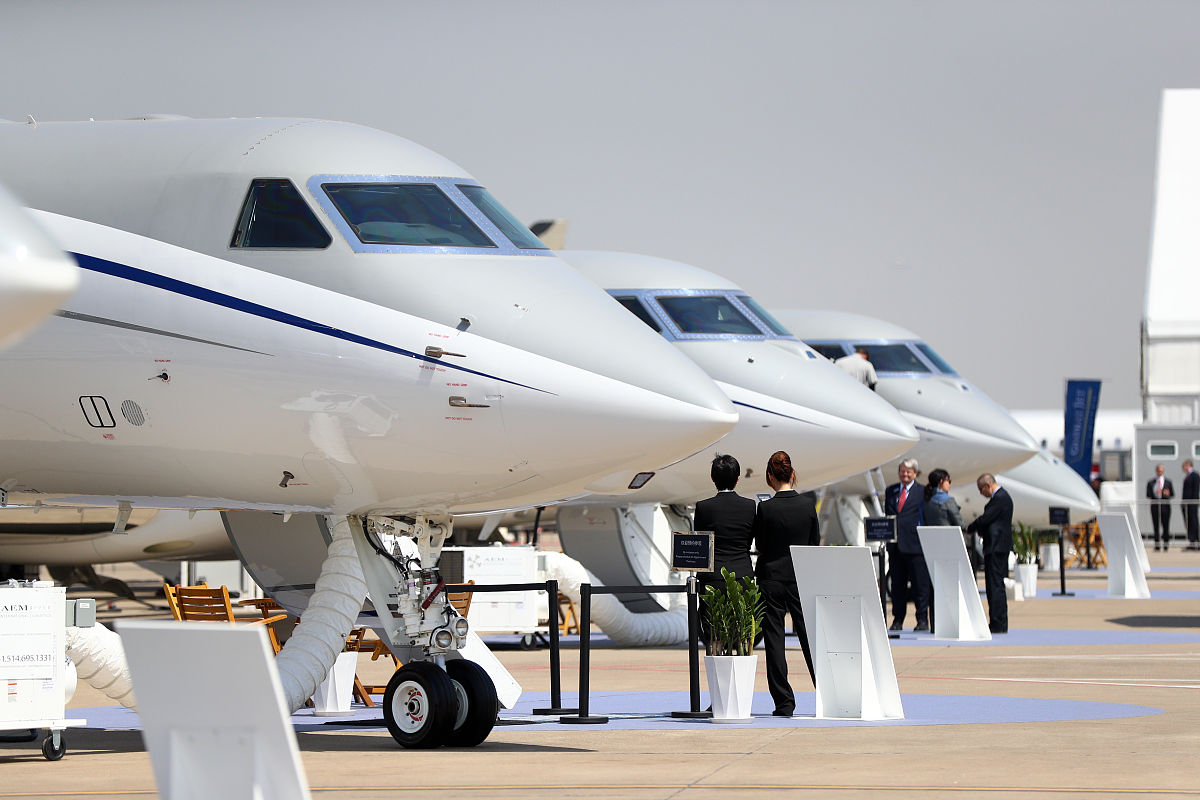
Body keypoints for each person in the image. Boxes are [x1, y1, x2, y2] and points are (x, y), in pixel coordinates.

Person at [752, 450, 819, 717]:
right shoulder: (807, 505)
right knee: (809, 638)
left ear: (770, 477)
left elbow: (761, 545)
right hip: (800, 577)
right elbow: (814, 542)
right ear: (793, 474)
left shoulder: (765, 508)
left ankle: (784, 701)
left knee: (775, 642)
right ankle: (824, 689)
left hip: (772, 577)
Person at [693, 454, 757, 640]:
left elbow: (702, 542)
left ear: (713, 478)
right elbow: (750, 538)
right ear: (738, 478)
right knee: (742, 636)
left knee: (713, 636)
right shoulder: (749, 506)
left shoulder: (704, 507)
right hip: (742, 573)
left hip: (712, 577)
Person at [885, 458, 930, 631]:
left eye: (908, 471)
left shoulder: (923, 491)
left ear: (915, 473)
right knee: (897, 586)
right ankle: (898, 619)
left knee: (920, 585)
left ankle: (922, 619)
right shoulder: (891, 491)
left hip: (915, 545)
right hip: (896, 546)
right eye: (902, 471)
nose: (905, 474)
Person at [966, 474, 1013, 633]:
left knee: (995, 586)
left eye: (981, 489)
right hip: (996, 546)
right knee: (994, 585)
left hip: (996, 547)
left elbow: (987, 518)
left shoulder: (1000, 498)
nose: (981, 493)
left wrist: (971, 528)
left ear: (988, 485)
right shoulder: (1001, 498)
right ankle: (997, 621)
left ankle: (998, 622)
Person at [1146, 464, 1174, 551]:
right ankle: (1157, 545)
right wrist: (1155, 493)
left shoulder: (1168, 482)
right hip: (1155, 506)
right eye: (1159, 471)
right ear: (1156, 471)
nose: (1160, 472)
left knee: (1166, 526)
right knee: (1156, 526)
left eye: (1161, 471)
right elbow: (1147, 494)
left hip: (1165, 507)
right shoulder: (1151, 482)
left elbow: (1172, 494)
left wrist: (1167, 494)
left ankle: (1166, 545)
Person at [1183, 460, 1199, 551]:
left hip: (1192, 504)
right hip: (1187, 504)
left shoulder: (1195, 476)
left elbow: (1195, 490)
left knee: (1194, 522)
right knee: (1189, 523)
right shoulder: (1187, 476)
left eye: (1184, 466)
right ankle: (1192, 541)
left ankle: (1197, 541)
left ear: (1188, 465)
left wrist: (1193, 502)